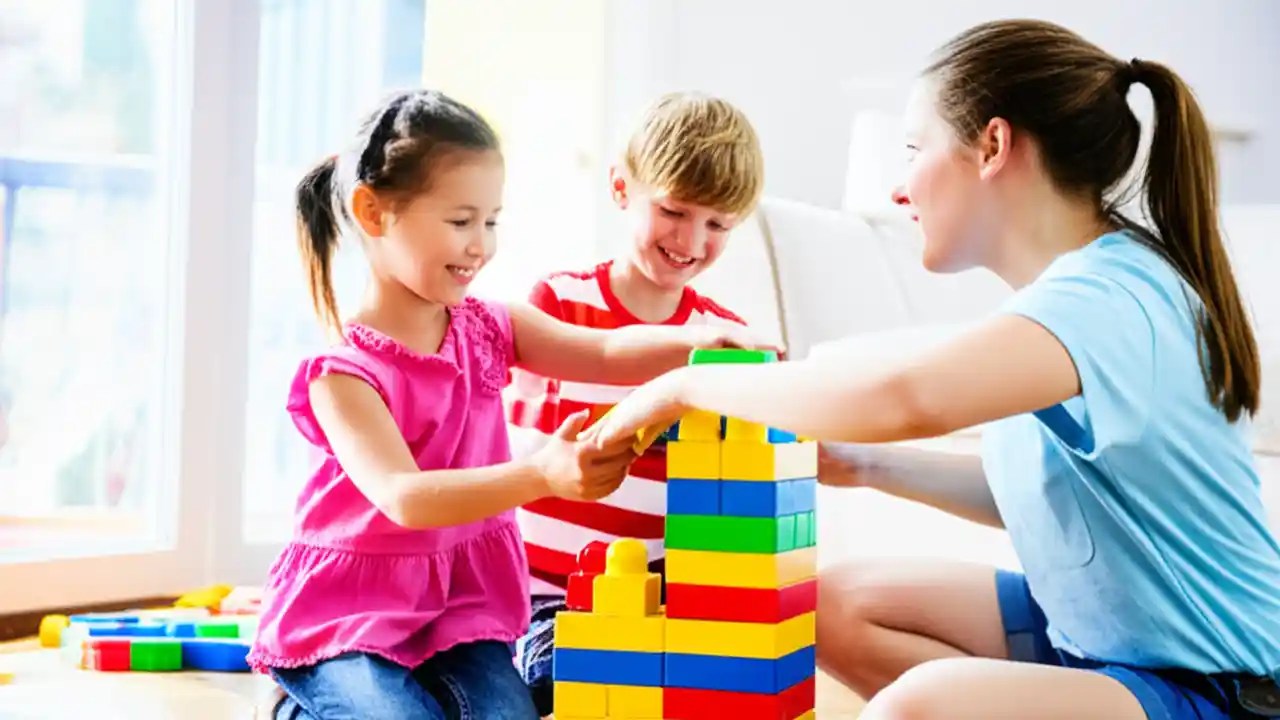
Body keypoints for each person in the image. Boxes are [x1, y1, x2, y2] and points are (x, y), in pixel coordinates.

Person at [585, 19, 1280, 720]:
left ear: (993, 146)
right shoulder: (1088, 289)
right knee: (821, 608)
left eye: (914, 149)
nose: (898, 188)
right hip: (1103, 643)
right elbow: (1046, 496)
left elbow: (904, 398)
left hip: (1219, 689)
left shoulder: (1107, 299)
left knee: (918, 707)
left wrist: (683, 385)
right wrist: (862, 466)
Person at [246, 89, 768, 720]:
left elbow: (603, 352)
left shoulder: (491, 327)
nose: (481, 246)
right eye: (462, 222)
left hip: (452, 612)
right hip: (350, 612)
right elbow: (405, 496)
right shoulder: (342, 375)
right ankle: (295, 706)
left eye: (491, 222)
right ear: (373, 212)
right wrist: (543, 473)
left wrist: (693, 342)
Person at [504, 91, 766, 715]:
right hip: (550, 594)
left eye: (718, 224)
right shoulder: (559, 304)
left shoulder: (724, 334)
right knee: (570, 681)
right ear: (622, 188)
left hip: (664, 588)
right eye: (674, 210)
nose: (691, 240)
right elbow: (523, 444)